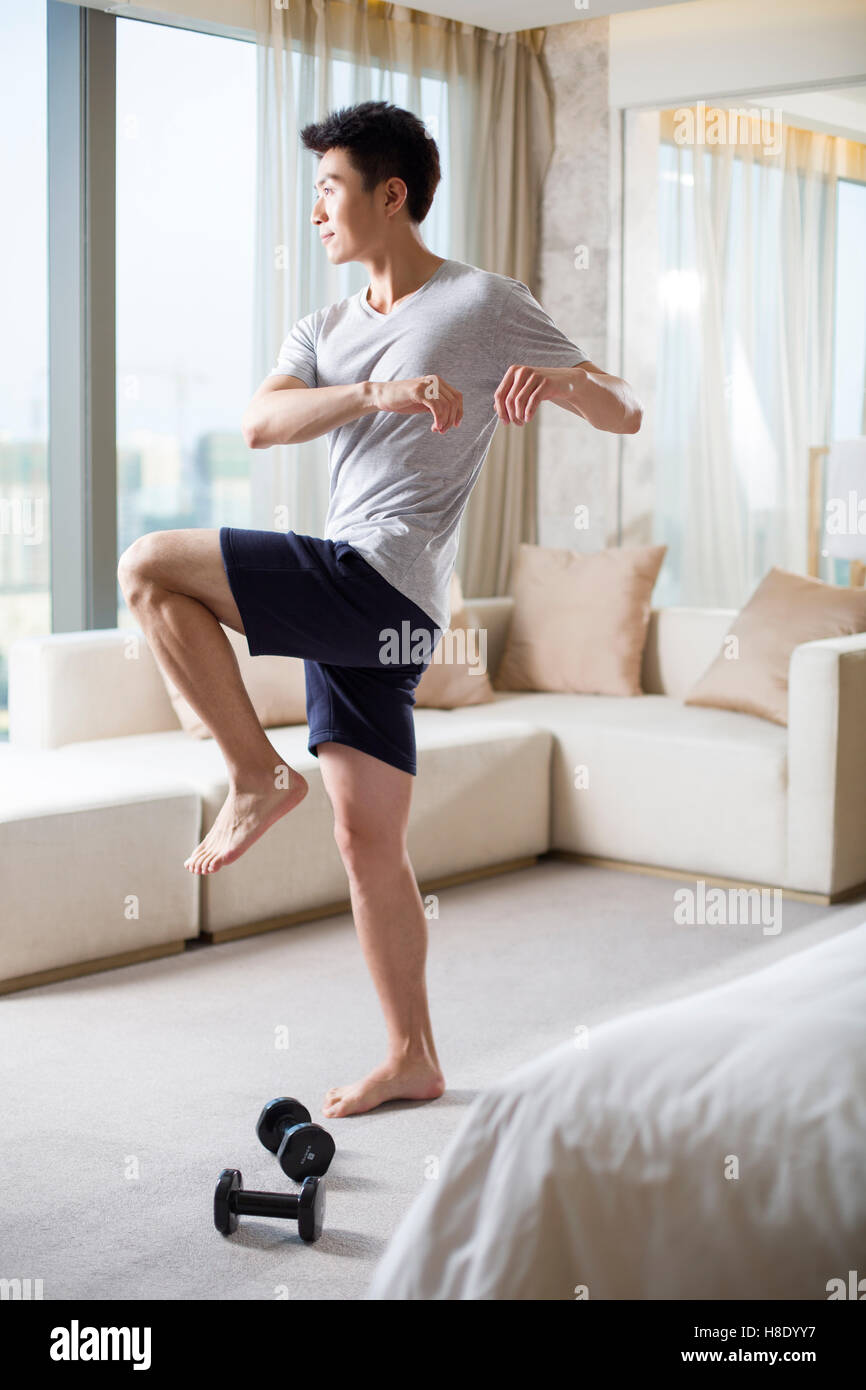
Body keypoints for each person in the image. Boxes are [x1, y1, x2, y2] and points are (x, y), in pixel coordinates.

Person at [117, 101, 642, 1119]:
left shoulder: (483, 302)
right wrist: (375, 394)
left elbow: (620, 408)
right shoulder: (321, 329)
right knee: (367, 842)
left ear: (389, 195)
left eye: (329, 188)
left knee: (148, 566)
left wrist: (562, 383)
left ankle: (255, 774)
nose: (316, 211)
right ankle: (413, 1054)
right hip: (386, 618)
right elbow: (263, 422)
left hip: (380, 577)